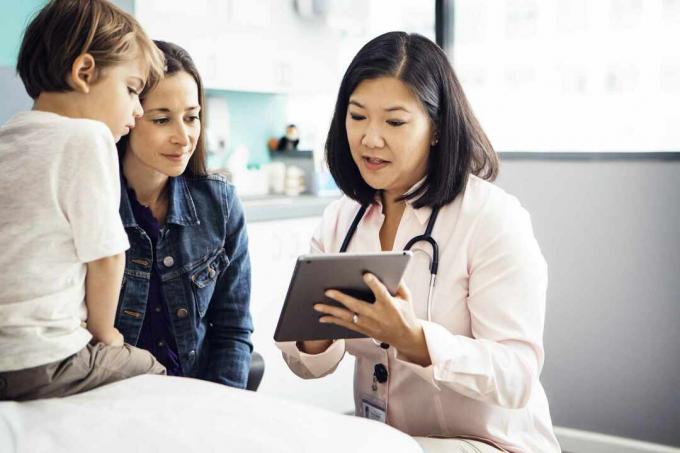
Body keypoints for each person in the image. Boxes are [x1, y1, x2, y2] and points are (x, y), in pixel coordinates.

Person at [277, 32, 561, 452]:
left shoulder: (491, 218)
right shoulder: (343, 218)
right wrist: (314, 336)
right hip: (389, 440)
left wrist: (416, 340)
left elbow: (516, 376)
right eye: (357, 117)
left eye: (394, 122)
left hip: (488, 443)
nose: (370, 139)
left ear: (436, 129)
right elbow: (308, 364)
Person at [0, 0, 167, 401]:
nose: (138, 110)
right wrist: (104, 335)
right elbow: (107, 256)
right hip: (45, 359)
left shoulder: (8, 140)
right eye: (131, 90)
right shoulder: (87, 138)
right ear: (84, 72)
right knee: (153, 369)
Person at [114, 41, 254, 388]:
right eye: (162, 119)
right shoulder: (92, 202)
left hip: (197, 399)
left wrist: (220, 407)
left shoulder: (220, 204)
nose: (184, 136)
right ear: (129, 115)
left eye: (191, 117)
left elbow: (233, 329)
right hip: (113, 399)